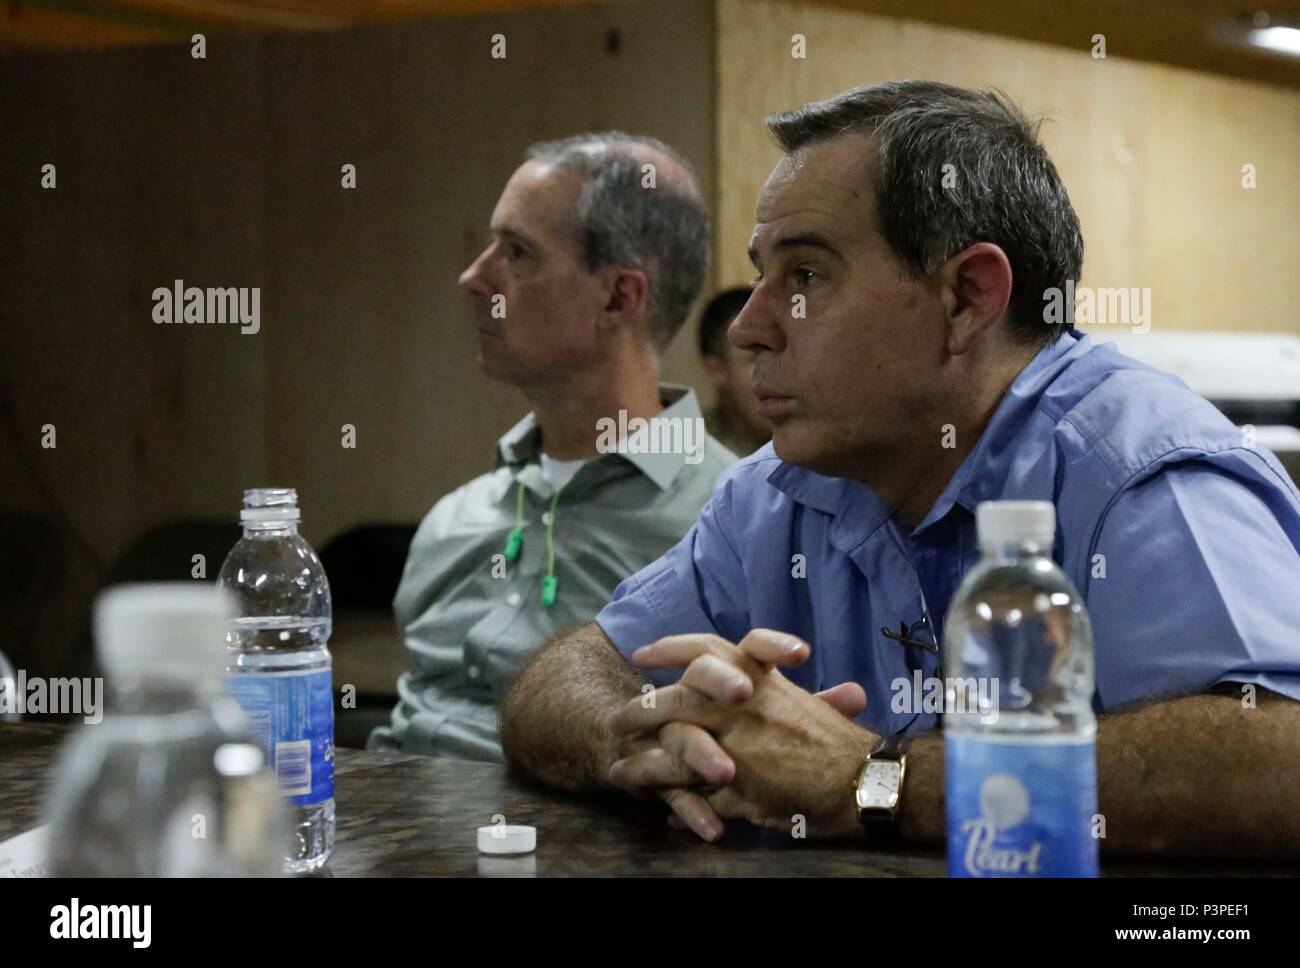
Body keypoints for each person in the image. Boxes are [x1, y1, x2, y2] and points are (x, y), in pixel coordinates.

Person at [499, 81, 1300, 856]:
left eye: (805, 276)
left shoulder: (1139, 469)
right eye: (759, 275)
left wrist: (872, 780)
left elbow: (1277, 758)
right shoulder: (779, 490)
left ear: (966, 298)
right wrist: (647, 728)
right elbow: (563, 677)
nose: (747, 328)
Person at [369, 132, 735, 761]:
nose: (473, 277)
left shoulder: (732, 523)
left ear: (619, 297)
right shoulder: (453, 520)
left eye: (516, 253)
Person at [698, 287, 770, 456]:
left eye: (781, 352)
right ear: (716, 370)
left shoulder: (814, 446)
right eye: (756, 358)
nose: (779, 371)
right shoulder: (691, 451)